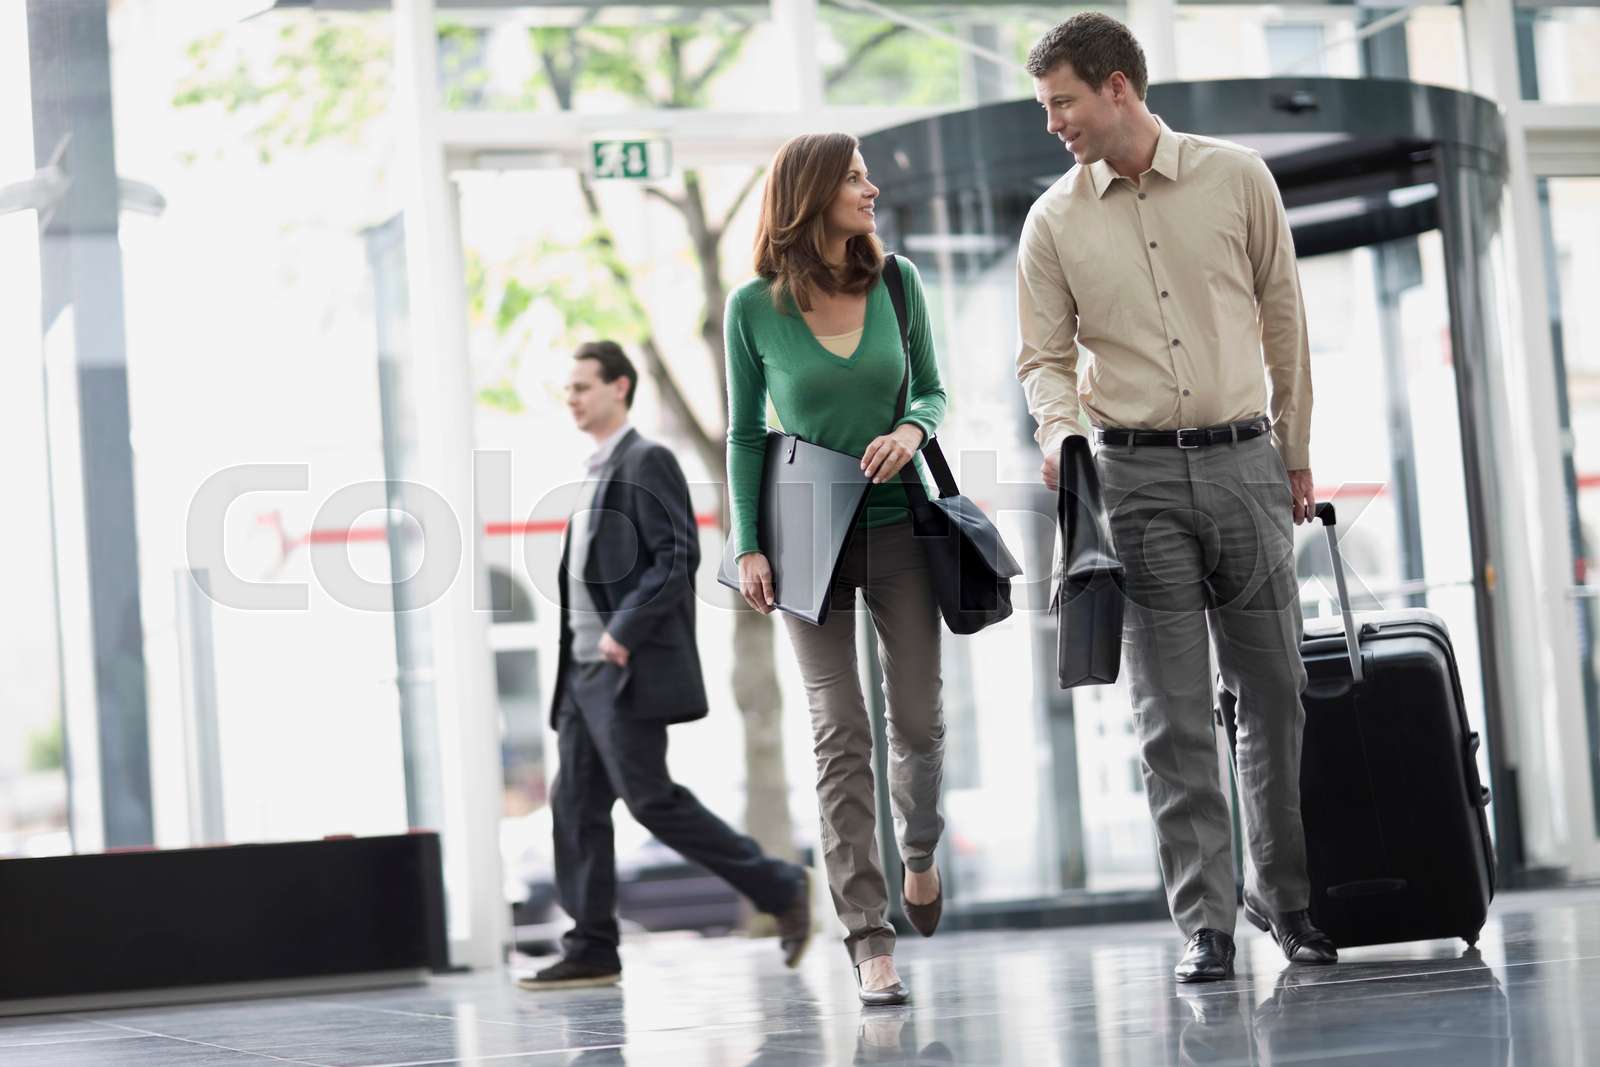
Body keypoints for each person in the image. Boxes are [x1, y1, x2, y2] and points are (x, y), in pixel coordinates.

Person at [1016, 14, 1338, 982]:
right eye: (1045, 107)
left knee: (1274, 693)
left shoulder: (1237, 178)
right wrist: (1058, 430)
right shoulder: (1054, 219)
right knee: (1173, 712)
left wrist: (1296, 453)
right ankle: (1204, 918)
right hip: (1134, 476)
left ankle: (1285, 898)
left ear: (1118, 87)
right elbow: (1042, 358)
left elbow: (1285, 317)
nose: (1053, 124)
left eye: (1061, 101)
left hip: (1245, 461)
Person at [724, 134, 948, 1007]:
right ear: (812, 194)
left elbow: (930, 387)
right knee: (838, 729)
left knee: (919, 723)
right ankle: (868, 936)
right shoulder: (753, 307)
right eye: (855, 177)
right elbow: (747, 434)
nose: (872, 187)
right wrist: (749, 542)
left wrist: (914, 431)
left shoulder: (899, 283)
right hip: (806, 535)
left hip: (900, 529)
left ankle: (920, 850)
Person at [518, 341, 812, 991]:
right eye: (567, 389)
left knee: (651, 800)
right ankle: (592, 944)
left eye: (583, 386)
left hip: (619, 667)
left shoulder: (647, 460)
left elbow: (676, 554)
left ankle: (782, 883)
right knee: (574, 805)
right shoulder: (596, 469)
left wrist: (623, 633)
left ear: (620, 387)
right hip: (582, 674)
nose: (572, 398)